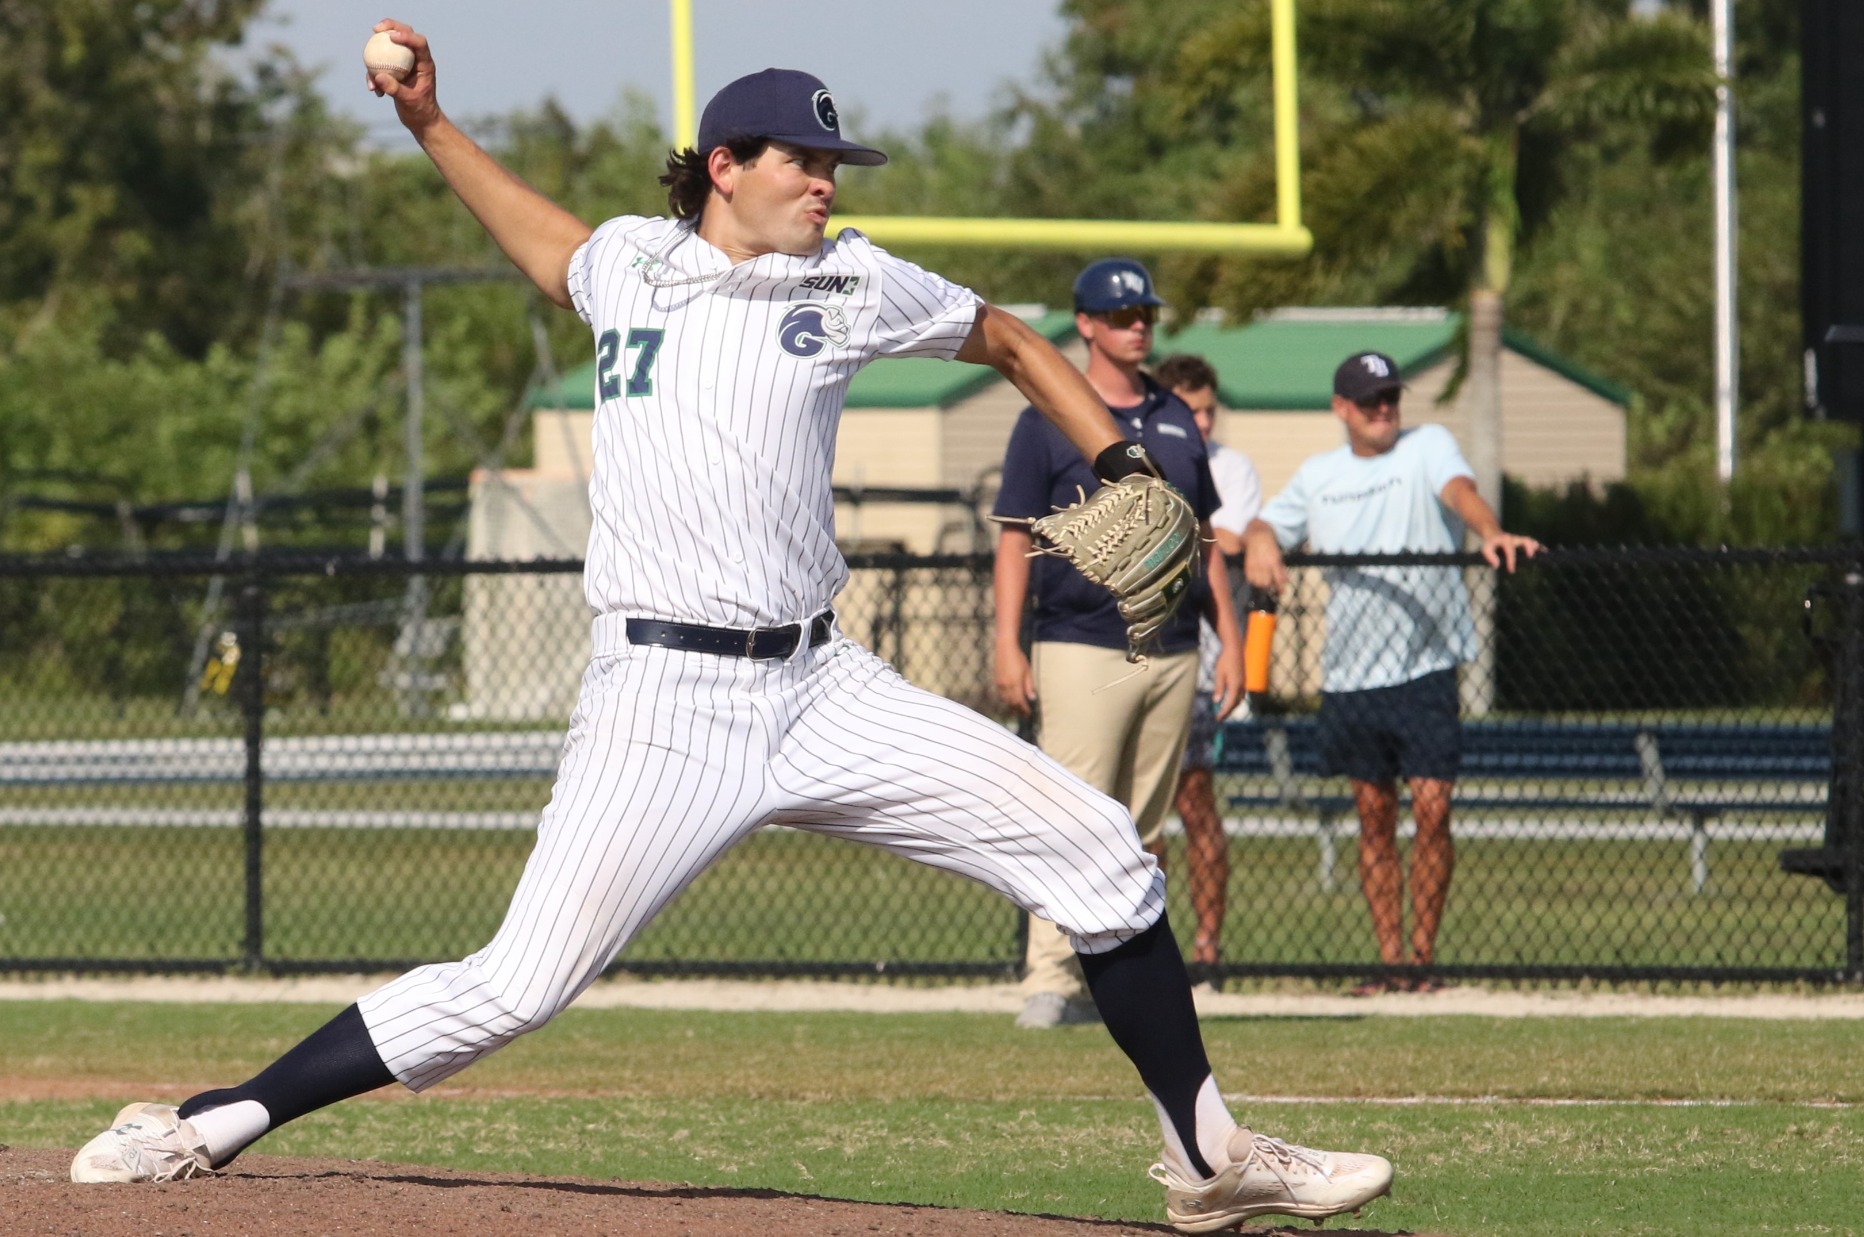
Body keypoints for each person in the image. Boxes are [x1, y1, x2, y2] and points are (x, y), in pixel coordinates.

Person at [70, 23, 1393, 1232]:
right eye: (802, 163)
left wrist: (1118, 461)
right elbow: (539, 240)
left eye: (832, 165)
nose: (825, 184)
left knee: (1101, 854)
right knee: (517, 985)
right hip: (661, 702)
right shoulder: (629, 265)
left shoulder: (852, 278)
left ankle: (1211, 1156)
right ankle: (207, 1121)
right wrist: (427, 122)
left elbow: (1003, 337)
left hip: (822, 686)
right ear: (724, 166)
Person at [991, 266, 1244, 1027]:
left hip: (1174, 647)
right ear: (1086, 324)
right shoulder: (1047, 414)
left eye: (1145, 313)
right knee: (1069, 816)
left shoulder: (1175, 415)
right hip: (1081, 643)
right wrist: (1007, 642)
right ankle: (1049, 981)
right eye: (1121, 313)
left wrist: (1230, 639)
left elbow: (1201, 535)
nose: (1138, 326)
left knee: (1143, 831)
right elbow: (1015, 537)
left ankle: (1124, 987)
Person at [1241, 351, 1540, 991]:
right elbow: (1265, 524)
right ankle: (1389, 961)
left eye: (1391, 397)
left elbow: (1460, 492)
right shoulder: (1319, 474)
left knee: (1432, 809)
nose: (1383, 409)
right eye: (1369, 400)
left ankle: (1422, 961)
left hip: (1425, 668)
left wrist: (1490, 531)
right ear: (1341, 408)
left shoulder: (1428, 445)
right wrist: (1262, 538)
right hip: (1350, 678)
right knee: (1374, 819)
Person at [1153, 353, 1260, 968]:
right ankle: (1150, 946)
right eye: (1191, 410)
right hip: (1137, 656)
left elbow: (1229, 538)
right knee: (1136, 816)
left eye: (1209, 410)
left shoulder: (1229, 467)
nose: (1203, 422)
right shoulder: (1137, 458)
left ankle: (1207, 947)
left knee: (1197, 806)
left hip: (1197, 658)